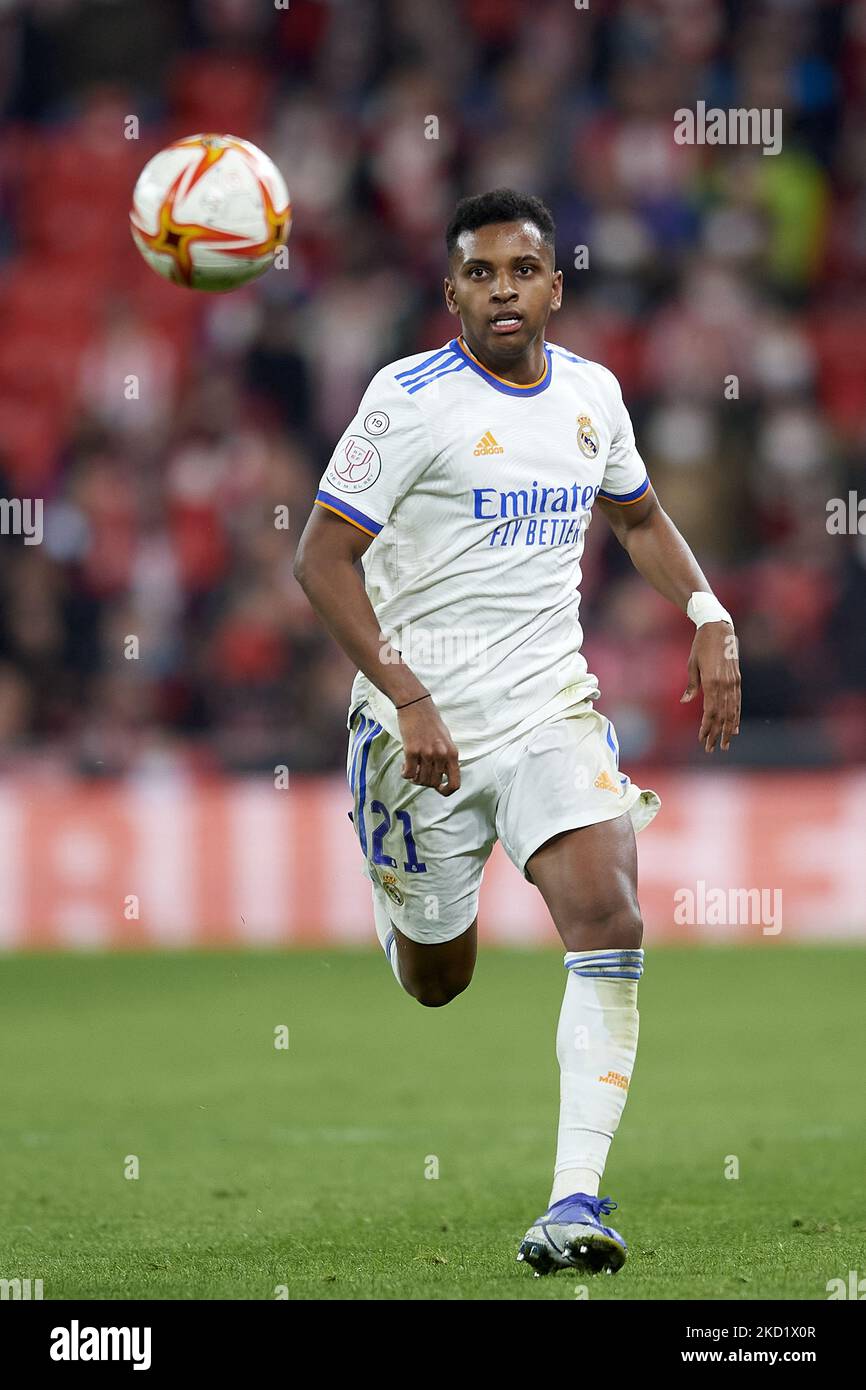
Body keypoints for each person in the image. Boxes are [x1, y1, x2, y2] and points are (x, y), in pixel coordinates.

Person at [293, 188, 741, 1276]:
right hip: (419, 724)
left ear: (553, 284)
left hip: (547, 705)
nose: (502, 288)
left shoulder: (591, 394)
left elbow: (633, 515)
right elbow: (317, 557)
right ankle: (401, 914)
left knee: (608, 914)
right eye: (480, 273)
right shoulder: (406, 401)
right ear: (450, 291)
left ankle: (573, 1200)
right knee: (437, 980)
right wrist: (403, 693)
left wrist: (708, 612)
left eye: (521, 270)